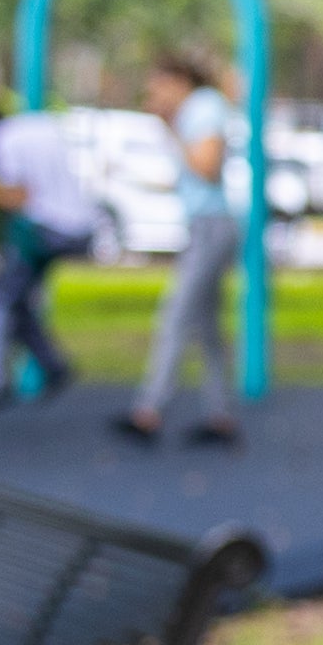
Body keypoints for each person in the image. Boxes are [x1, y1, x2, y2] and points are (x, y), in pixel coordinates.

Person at [115, 44, 244, 448]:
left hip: (212, 226)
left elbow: (206, 169)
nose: (155, 96)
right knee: (205, 328)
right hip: (205, 225)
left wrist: (169, 127)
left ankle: (149, 411)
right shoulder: (197, 111)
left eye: (159, 87)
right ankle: (219, 415)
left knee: (175, 316)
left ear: (179, 82)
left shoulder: (203, 107)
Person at [0, 94, 113, 416]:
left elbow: (20, 196)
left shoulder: (0, 138)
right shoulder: (37, 125)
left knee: (0, 296)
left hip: (45, 229)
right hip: (79, 226)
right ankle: (53, 364)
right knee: (19, 297)